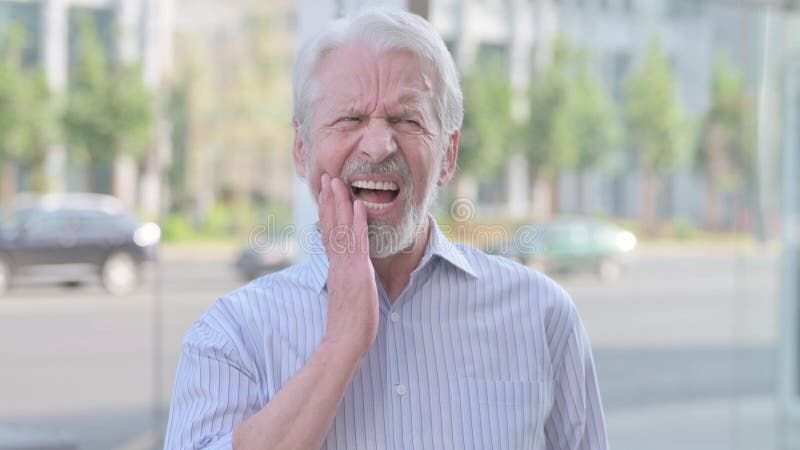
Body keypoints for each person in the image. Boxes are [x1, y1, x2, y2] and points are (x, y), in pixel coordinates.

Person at [164, 7, 608, 450]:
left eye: (406, 120)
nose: (378, 147)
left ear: (448, 156)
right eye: (350, 119)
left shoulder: (542, 316)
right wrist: (342, 343)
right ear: (302, 149)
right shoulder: (231, 336)